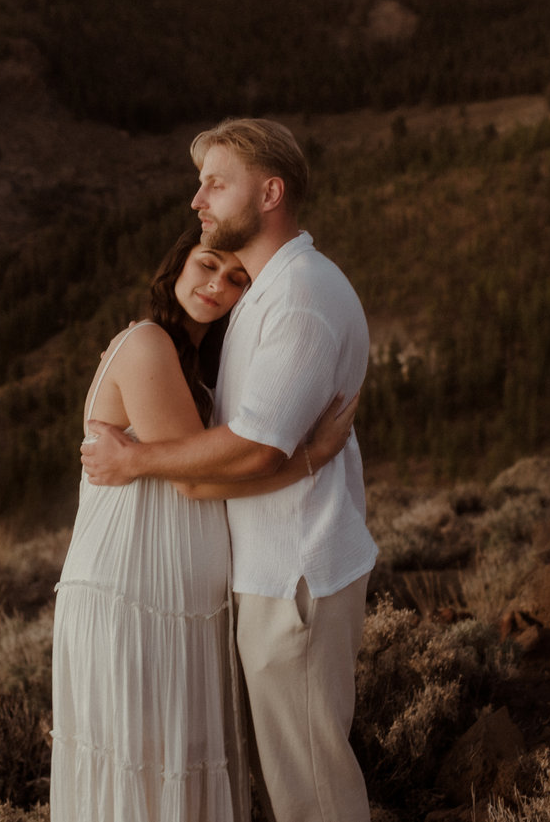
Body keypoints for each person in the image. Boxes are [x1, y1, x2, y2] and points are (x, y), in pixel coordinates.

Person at [82, 118, 376, 822]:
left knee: (312, 792)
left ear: (270, 192)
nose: (198, 199)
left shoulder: (300, 293)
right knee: (286, 784)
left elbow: (255, 447)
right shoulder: (263, 292)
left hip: (294, 576)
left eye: (216, 182)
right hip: (263, 577)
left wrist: (135, 459)